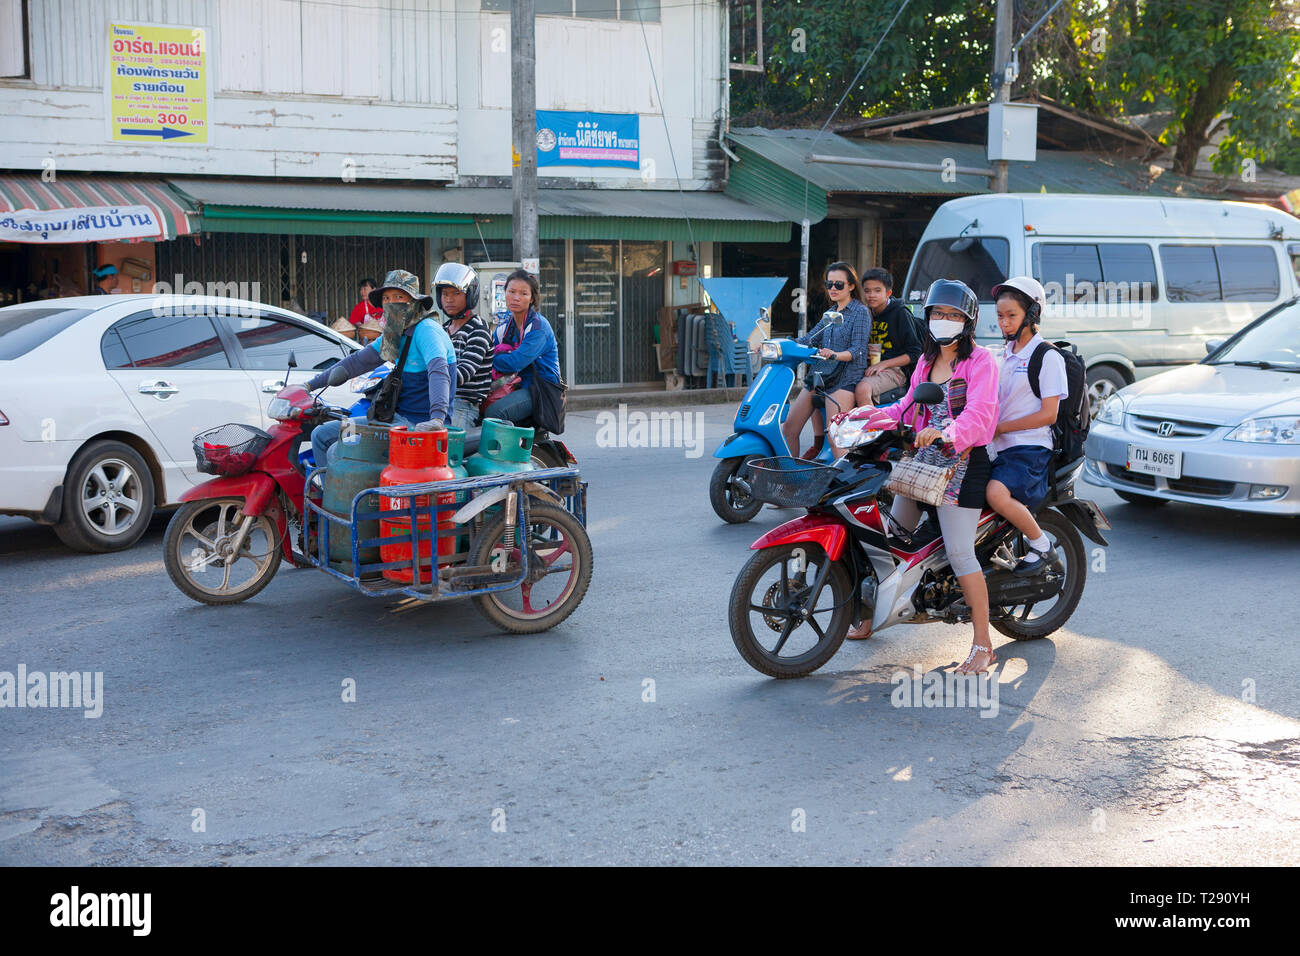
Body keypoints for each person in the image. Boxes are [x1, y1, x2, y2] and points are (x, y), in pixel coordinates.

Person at [845, 279, 1000, 675]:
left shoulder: (980, 362)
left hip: (962, 464)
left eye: (952, 315)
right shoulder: (926, 363)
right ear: (927, 318)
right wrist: (862, 418)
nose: (943, 321)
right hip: (921, 461)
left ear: (967, 321)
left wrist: (947, 434)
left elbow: (980, 414)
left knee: (962, 551)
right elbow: (905, 407)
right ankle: (870, 610)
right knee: (891, 538)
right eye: (937, 314)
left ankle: (983, 643)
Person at [307, 269, 456, 464]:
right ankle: (326, 494)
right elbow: (357, 362)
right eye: (386, 298)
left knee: (338, 451)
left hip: (417, 428)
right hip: (391, 421)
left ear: (413, 301)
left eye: (398, 296)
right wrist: (309, 386)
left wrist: (436, 419)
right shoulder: (394, 334)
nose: (390, 302)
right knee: (321, 434)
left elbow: (439, 372)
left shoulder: (426, 330)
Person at [986, 277, 1068, 575]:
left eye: (1011, 316)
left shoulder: (1046, 356)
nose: (1004, 323)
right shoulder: (1003, 353)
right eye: (999, 316)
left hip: (1029, 447)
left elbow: (1049, 414)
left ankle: (1042, 546)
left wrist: (1002, 428)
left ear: (1032, 315)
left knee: (995, 493)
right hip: (997, 445)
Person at [780, 261, 872, 460]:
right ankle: (789, 479)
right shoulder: (830, 313)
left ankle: (844, 486)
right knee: (789, 428)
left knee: (835, 437)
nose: (833, 288)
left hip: (845, 377)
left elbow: (857, 350)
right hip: (821, 375)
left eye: (839, 285)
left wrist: (835, 355)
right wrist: (780, 345)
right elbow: (809, 339)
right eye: (829, 284)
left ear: (851, 286)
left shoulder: (860, 312)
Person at [481, 269, 562, 426]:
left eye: (523, 293)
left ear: (532, 298)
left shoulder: (539, 327)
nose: (516, 297)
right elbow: (488, 354)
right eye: (511, 291)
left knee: (494, 413)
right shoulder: (504, 327)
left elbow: (515, 362)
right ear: (505, 294)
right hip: (515, 384)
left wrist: (492, 358)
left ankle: (502, 451)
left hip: (540, 390)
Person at [434, 262, 492, 432]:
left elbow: (463, 372)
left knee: (446, 451)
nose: (449, 299)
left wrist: (429, 379)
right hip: (439, 399)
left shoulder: (478, 328)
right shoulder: (442, 329)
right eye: (444, 294)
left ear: (470, 295)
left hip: (463, 405)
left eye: (456, 293)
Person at [854, 267, 922, 406]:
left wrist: (883, 364)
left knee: (862, 389)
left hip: (896, 370)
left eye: (877, 290)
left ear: (888, 292)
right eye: (867, 291)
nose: (871, 295)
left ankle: (871, 427)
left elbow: (915, 352)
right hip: (871, 366)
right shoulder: (865, 313)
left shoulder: (900, 313)